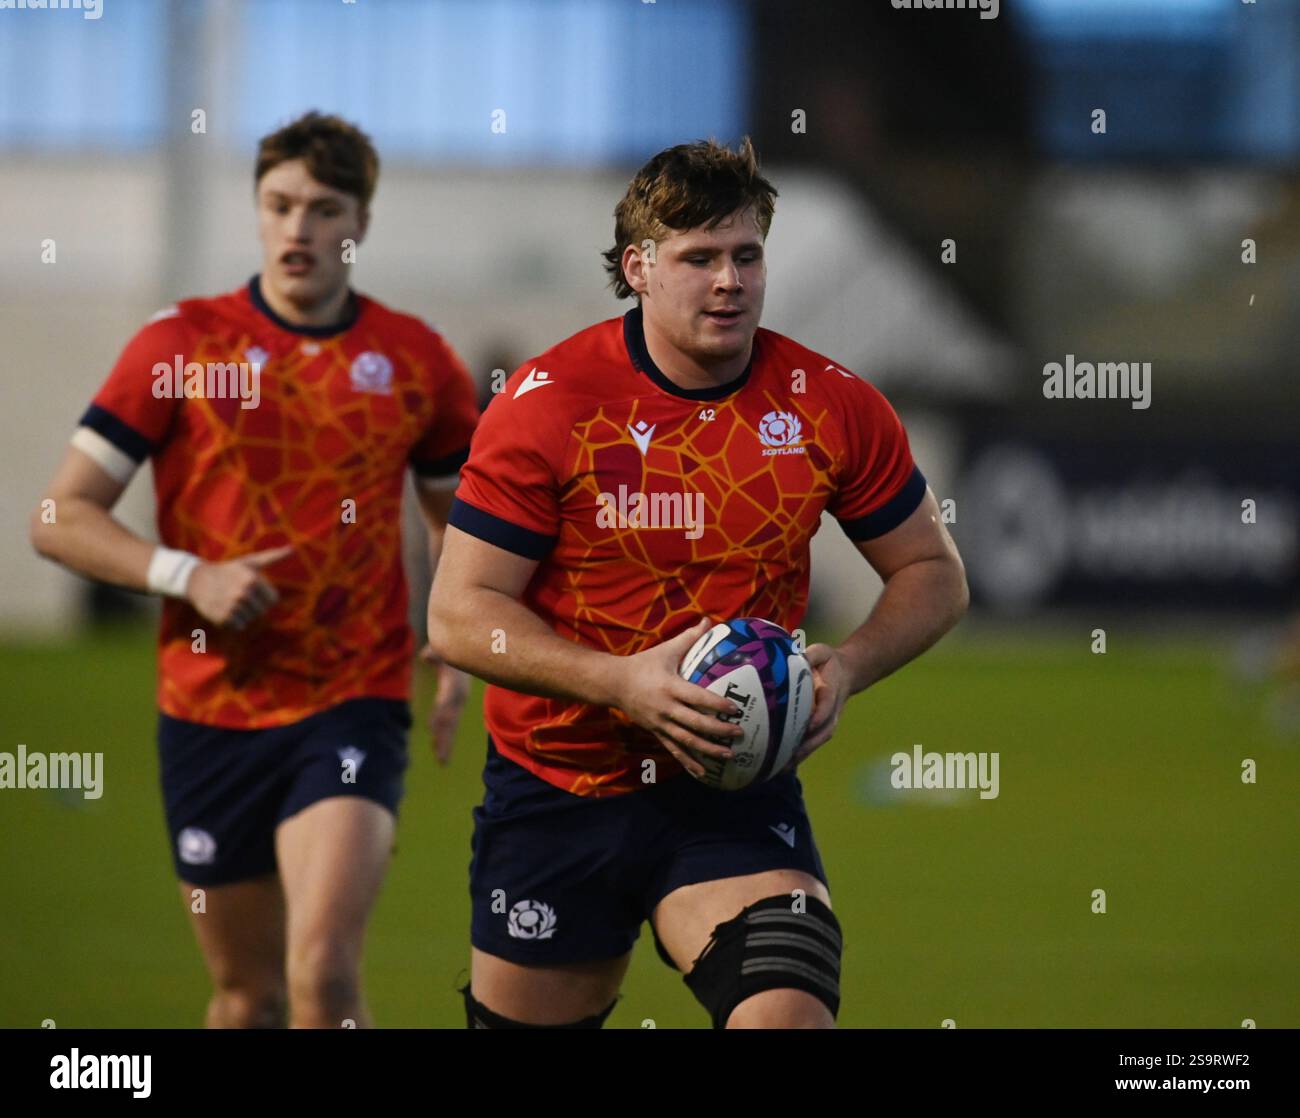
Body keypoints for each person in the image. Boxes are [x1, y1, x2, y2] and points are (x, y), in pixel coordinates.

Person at [427, 137, 968, 1029]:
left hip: (731, 791)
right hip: (560, 784)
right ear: (639, 267)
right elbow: (458, 615)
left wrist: (851, 668)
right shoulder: (548, 405)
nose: (731, 281)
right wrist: (622, 684)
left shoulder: (830, 404)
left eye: (747, 255)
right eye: (700, 258)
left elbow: (933, 574)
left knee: (786, 1016)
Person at [30, 111, 479, 1028]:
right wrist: (185, 574)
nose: (298, 229)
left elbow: (461, 522)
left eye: (323, 208)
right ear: (257, 210)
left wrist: (462, 644)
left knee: (323, 976)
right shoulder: (181, 346)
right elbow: (59, 516)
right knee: (249, 996)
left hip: (352, 696)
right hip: (209, 709)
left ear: (361, 222)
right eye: (278, 205)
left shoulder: (415, 359)